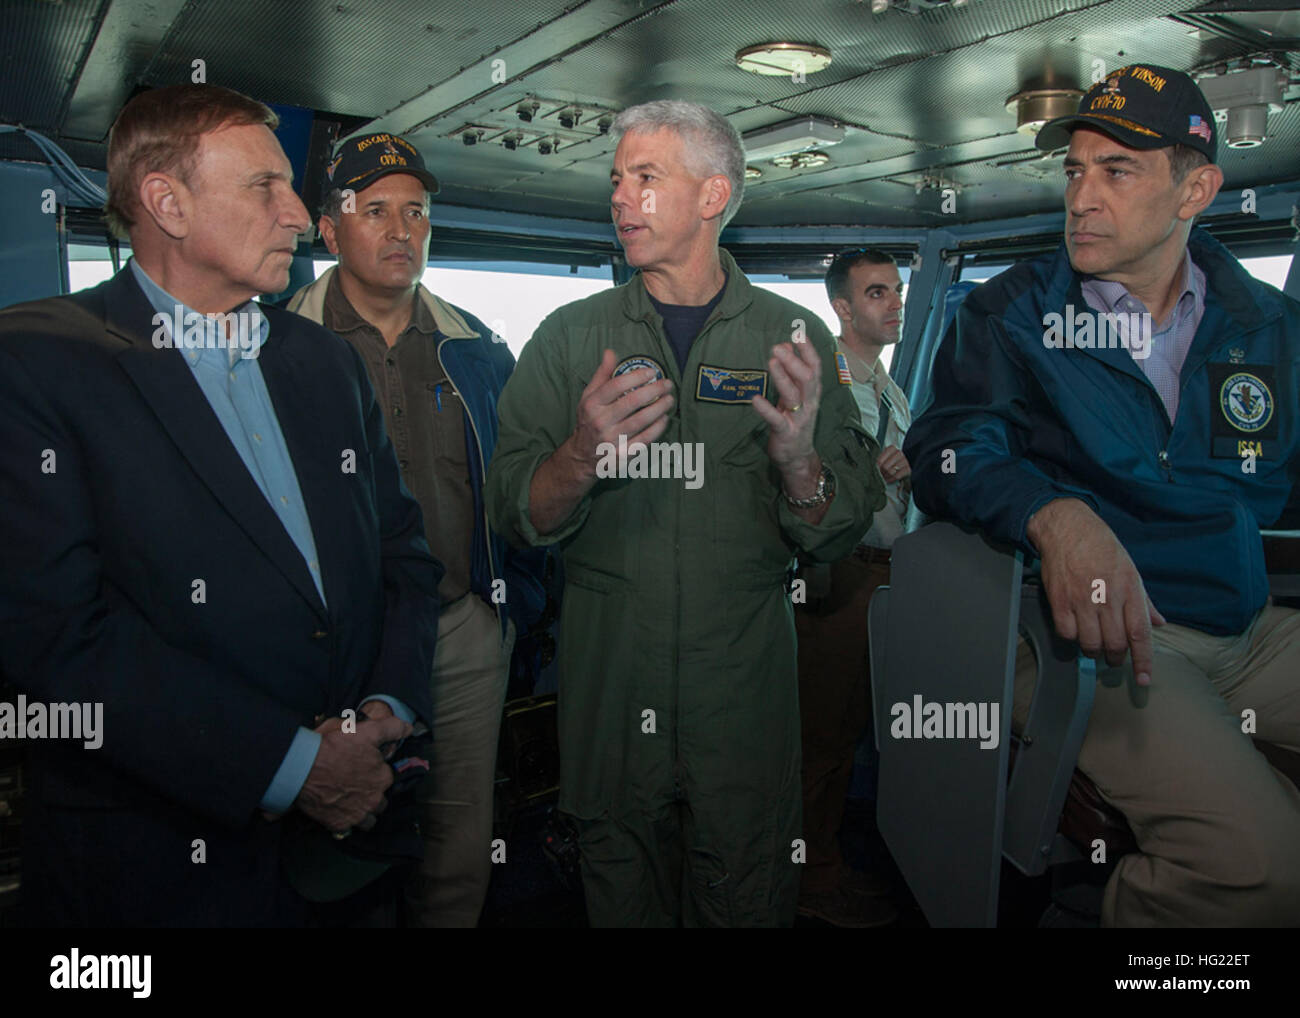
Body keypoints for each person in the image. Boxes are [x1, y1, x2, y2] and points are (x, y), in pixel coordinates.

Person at [0, 84, 442, 926]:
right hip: (151, 866)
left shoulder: (323, 362)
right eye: (263, 187)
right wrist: (293, 766)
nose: (297, 214)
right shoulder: (35, 362)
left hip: (351, 848)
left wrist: (384, 713)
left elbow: (404, 558)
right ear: (166, 203)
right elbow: (55, 641)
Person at [905, 64, 1300, 926]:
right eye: (1075, 170)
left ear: (1196, 189)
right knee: (1261, 868)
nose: (1082, 196)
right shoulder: (1011, 313)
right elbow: (943, 450)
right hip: (1098, 638)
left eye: (1116, 171)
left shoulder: (1266, 325)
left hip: (1245, 623)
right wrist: (1056, 515)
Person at [485, 99, 884, 927]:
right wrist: (580, 457)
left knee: (744, 889)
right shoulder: (569, 338)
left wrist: (799, 462)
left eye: (645, 178)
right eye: (616, 181)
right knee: (621, 893)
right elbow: (511, 507)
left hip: (741, 697)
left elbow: (839, 524)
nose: (620, 200)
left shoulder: (791, 335)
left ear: (711, 197)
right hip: (608, 694)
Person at [286, 131, 548, 927]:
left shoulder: (477, 349)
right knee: (333, 840)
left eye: (417, 213)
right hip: (334, 644)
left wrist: (518, 606)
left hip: (462, 629)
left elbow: (511, 491)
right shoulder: (275, 346)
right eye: (376, 212)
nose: (402, 231)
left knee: (458, 835)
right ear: (329, 232)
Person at [795, 248, 911, 927]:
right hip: (840, 574)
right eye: (876, 293)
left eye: (896, 290)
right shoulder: (829, 385)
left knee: (848, 735)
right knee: (821, 739)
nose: (894, 303)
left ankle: (828, 862)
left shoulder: (887, 385)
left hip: (885, 577)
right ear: (841, 307)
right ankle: (810, 882)